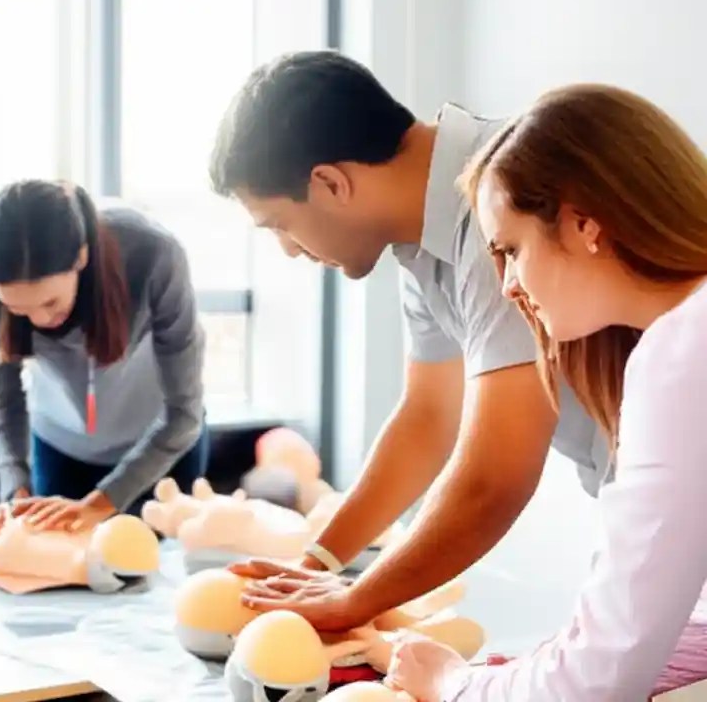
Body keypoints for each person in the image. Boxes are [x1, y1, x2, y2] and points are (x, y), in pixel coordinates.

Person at [208, 50, 608, 630]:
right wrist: (318, 562)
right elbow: (428, 417)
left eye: (278, 226)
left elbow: (495, 477)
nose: (289, 251)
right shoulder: (417, 237)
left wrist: (355, 598)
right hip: (649, 499)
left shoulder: (499, 203)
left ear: (329, 182)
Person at [385, 84, 707, 701]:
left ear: (584, 223)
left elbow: (599, 679)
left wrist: (455, 683)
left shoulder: (680, 358)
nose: (506, 286)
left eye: (510, 250)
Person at [0, 180, 207, 533]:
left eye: (50, 303)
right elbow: (6, 398)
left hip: (162, 446)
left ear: (81, 256)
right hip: (59, 446)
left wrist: (104, 501)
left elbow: (184, 413)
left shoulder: (154, 253)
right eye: (17, 309)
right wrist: (14, 488)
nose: (40, 321)